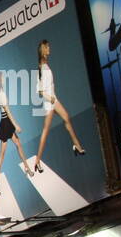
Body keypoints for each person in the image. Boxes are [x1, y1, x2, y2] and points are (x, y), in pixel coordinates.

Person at [33, 39, 86, 174]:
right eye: (47, 47)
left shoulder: (45, 64)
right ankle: (37, 161)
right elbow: (39, 90)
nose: (49, 49)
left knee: (66, 117)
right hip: (50, 101)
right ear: (43, 50)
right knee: (45, 130)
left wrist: (52, 97)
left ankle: (77, 146)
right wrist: (49, 98)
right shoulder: (41, 67)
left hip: (53, 99)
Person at [0, 71, 35, 197]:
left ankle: (27, 168)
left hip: (5, 122)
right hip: (6, 123)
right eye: (3, 77)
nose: (4, 79)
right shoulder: (1, 94)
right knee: (2, 154)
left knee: (18, 144)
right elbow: (8, 112)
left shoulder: (0, 93)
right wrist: (16, 125)